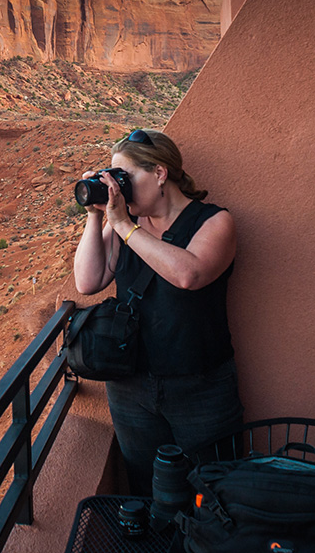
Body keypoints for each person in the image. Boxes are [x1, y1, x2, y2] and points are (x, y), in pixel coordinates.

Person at [73, 129, 243, 495]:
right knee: (149, 490)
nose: (120, 188)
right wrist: (95, 215)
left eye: (126, 177)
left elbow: (188, 274)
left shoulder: (214, 222)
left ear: (161, 173)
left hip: (201, 388)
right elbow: (87, 281)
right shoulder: (123, 226)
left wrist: (123, 224)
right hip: (132, 386)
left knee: (218, 491)